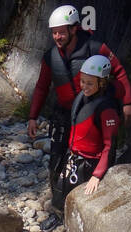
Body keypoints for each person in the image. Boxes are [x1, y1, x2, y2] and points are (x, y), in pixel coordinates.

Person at [27, 4, 131, 209]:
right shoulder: (50, 57)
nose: (57, 37)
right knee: (57, 159)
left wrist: (127, 103)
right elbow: (42, 87)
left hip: (92, 113)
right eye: (54, 33)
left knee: (91, 157)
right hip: (64, 115)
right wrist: (33, 116)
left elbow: (119, 72)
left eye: (61, 32)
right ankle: (59, 205)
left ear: (74, 28)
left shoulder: (95, 48)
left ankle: (92, 203)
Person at [52, 54, 121, 212]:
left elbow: (110, 145)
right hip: (74, 158)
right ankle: (58, 219)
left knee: (80, 202)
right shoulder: (83, 98)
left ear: (102, 83)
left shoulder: (107, 108)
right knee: (58, 196)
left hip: (90, 163)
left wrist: (97, 175)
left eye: (90, 83)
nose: (84, 86)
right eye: (82, 81)